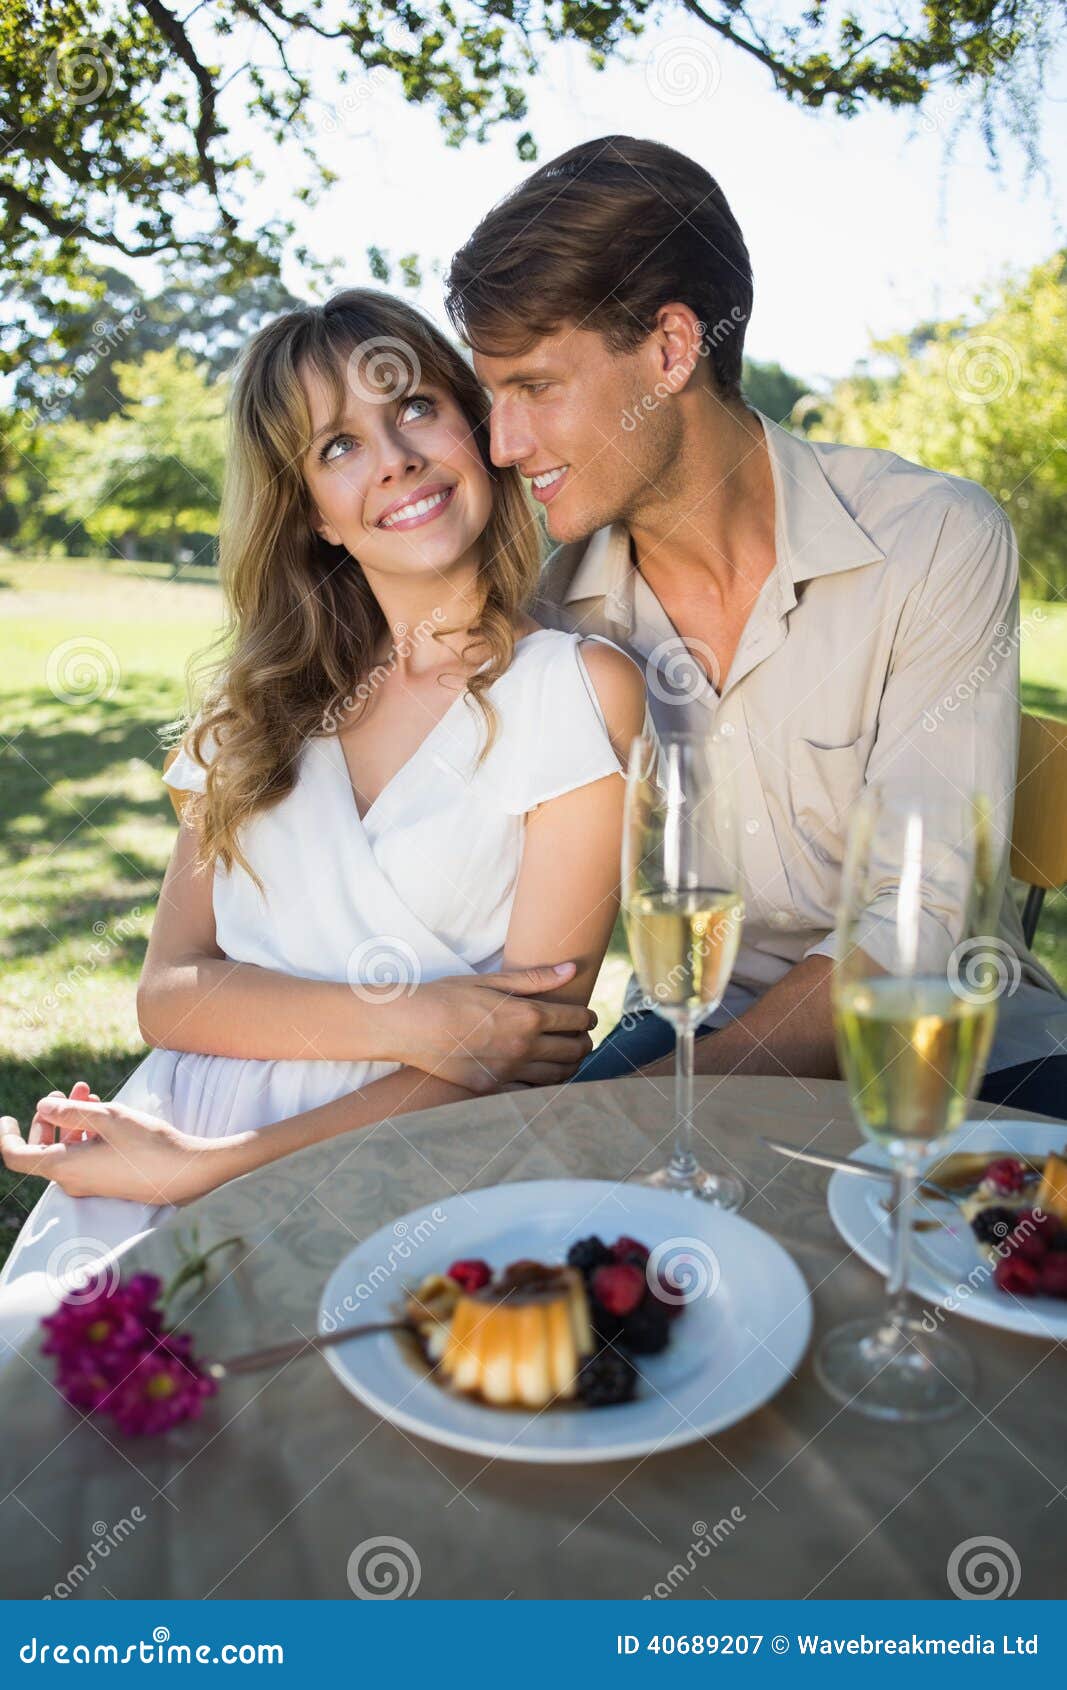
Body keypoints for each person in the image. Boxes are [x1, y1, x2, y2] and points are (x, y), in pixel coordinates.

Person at [0, 287, 649, 1346]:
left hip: (400, 1158)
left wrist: (210, 1174)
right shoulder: (251, 711)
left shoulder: (575, 689)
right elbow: (169, 991)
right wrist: (421, 1019)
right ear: (310, 509)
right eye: (337, 445)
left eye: (414, 409)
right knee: (45, 1418)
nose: (392, 456)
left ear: (478, 432)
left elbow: (519, 1059)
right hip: (165, 1122)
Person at [444, 134, 1067, 1117]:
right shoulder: (552, 618)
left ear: (669, 349)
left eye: (534, 387)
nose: (500, 442)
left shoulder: (931, 541)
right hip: (683, 1027)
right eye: (490, 396)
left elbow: (912, 923)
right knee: (501, 1215)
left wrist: (643, 1117)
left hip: (962, 1053)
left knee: (1000, 1265)